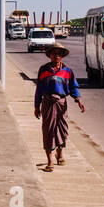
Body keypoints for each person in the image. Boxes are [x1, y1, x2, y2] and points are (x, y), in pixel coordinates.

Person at [34, 43, 85, 171]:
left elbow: (73, 87)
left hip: (61, 103)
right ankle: (50, 159)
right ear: (50, 55)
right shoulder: (43, 69)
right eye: (54, 53)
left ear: (62, 56)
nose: (56, 56)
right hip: (47, 102)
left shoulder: (67, 71)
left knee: (62, 130)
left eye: (59, 54)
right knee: (48, 130)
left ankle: (60, 152)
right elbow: (39, 89)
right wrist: (36, 105)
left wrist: (78, 99)